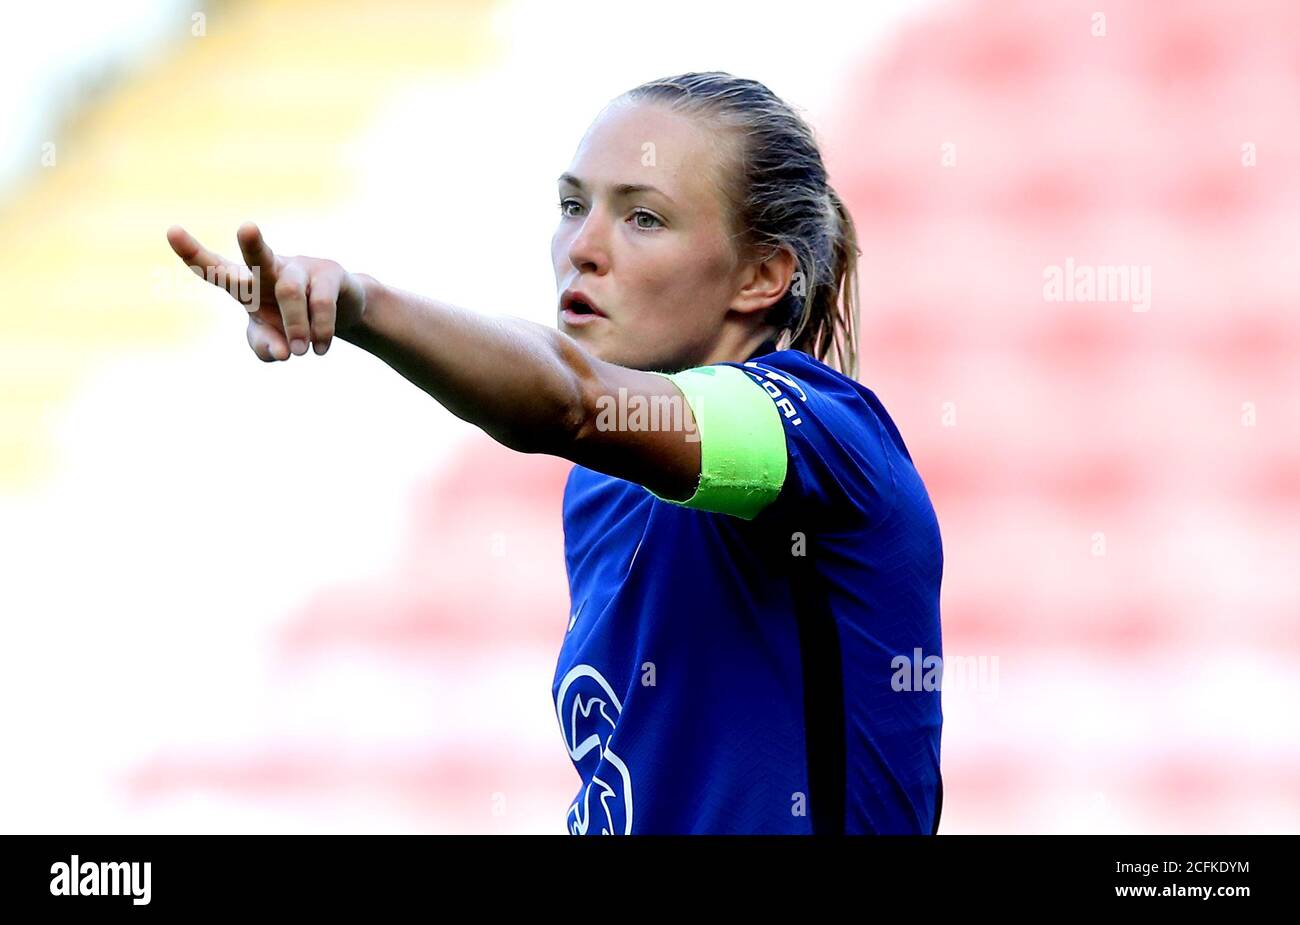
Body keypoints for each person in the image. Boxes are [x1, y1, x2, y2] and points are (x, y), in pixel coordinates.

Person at [166, 71, 944, 835]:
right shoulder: (603, 488)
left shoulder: (817, 429)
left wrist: (362, 305)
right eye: (573, 206)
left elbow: (570, 401)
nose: (581, 247)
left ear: (763, 275)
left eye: (643, 217)